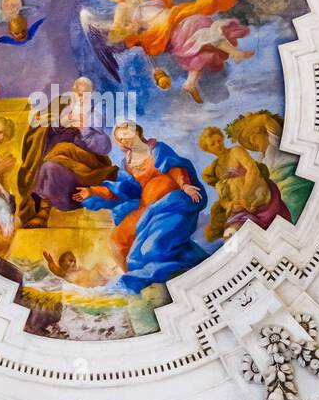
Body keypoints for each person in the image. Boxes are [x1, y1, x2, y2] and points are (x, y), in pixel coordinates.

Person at [73, 121, 208, 292]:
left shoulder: (157, 149)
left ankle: (148, 280)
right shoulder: (128, 162)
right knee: (117, 242)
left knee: (150, 247)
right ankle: (138, 281)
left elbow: (175, 168)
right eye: (120, 139)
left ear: (136, 132)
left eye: (126, 136)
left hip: (171, 204)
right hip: (147, 207)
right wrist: (93, 192)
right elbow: (124, 189)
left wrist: (185, 185)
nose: (124, 141)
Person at [101, 0, 252, 103]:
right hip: (160, 31)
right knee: (197, 28)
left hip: (173, 15)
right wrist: (128, 30)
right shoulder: (122, 9)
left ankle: (192, 81)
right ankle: (234, 53)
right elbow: (114, 34)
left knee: (201, 22)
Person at [18, 77, 116, 227]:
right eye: (77, 91)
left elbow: (105, 146)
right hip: (56, 162)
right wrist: (61, 123)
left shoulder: (94, 114)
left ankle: (46, 209)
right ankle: (44, 211)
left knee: (56, 156)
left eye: (84, 93)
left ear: (91, 94)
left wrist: (84, 131)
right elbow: (47, 130)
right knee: (47, 166)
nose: (79, 95)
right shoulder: (64, 109)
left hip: (82, 163)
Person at [198, 126, 291, 239]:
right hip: (240, 210)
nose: (218, 145)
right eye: (213, 144)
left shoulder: (236, 151)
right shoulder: (216, 169)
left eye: (219, 140)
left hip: (259, 198)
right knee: (231, 237)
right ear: (207, 149)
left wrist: (244, 196)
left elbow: (253, 170)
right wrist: (229, 205)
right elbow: (223, 196)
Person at [226, 111, 314, 222]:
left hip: (293, 187)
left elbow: (265, 119)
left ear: (264, 132)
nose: (252, 143)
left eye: (253, 137)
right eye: (249, 142)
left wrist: (248, 126)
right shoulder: (261, 160)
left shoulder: (276, 143)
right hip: (279, 196)